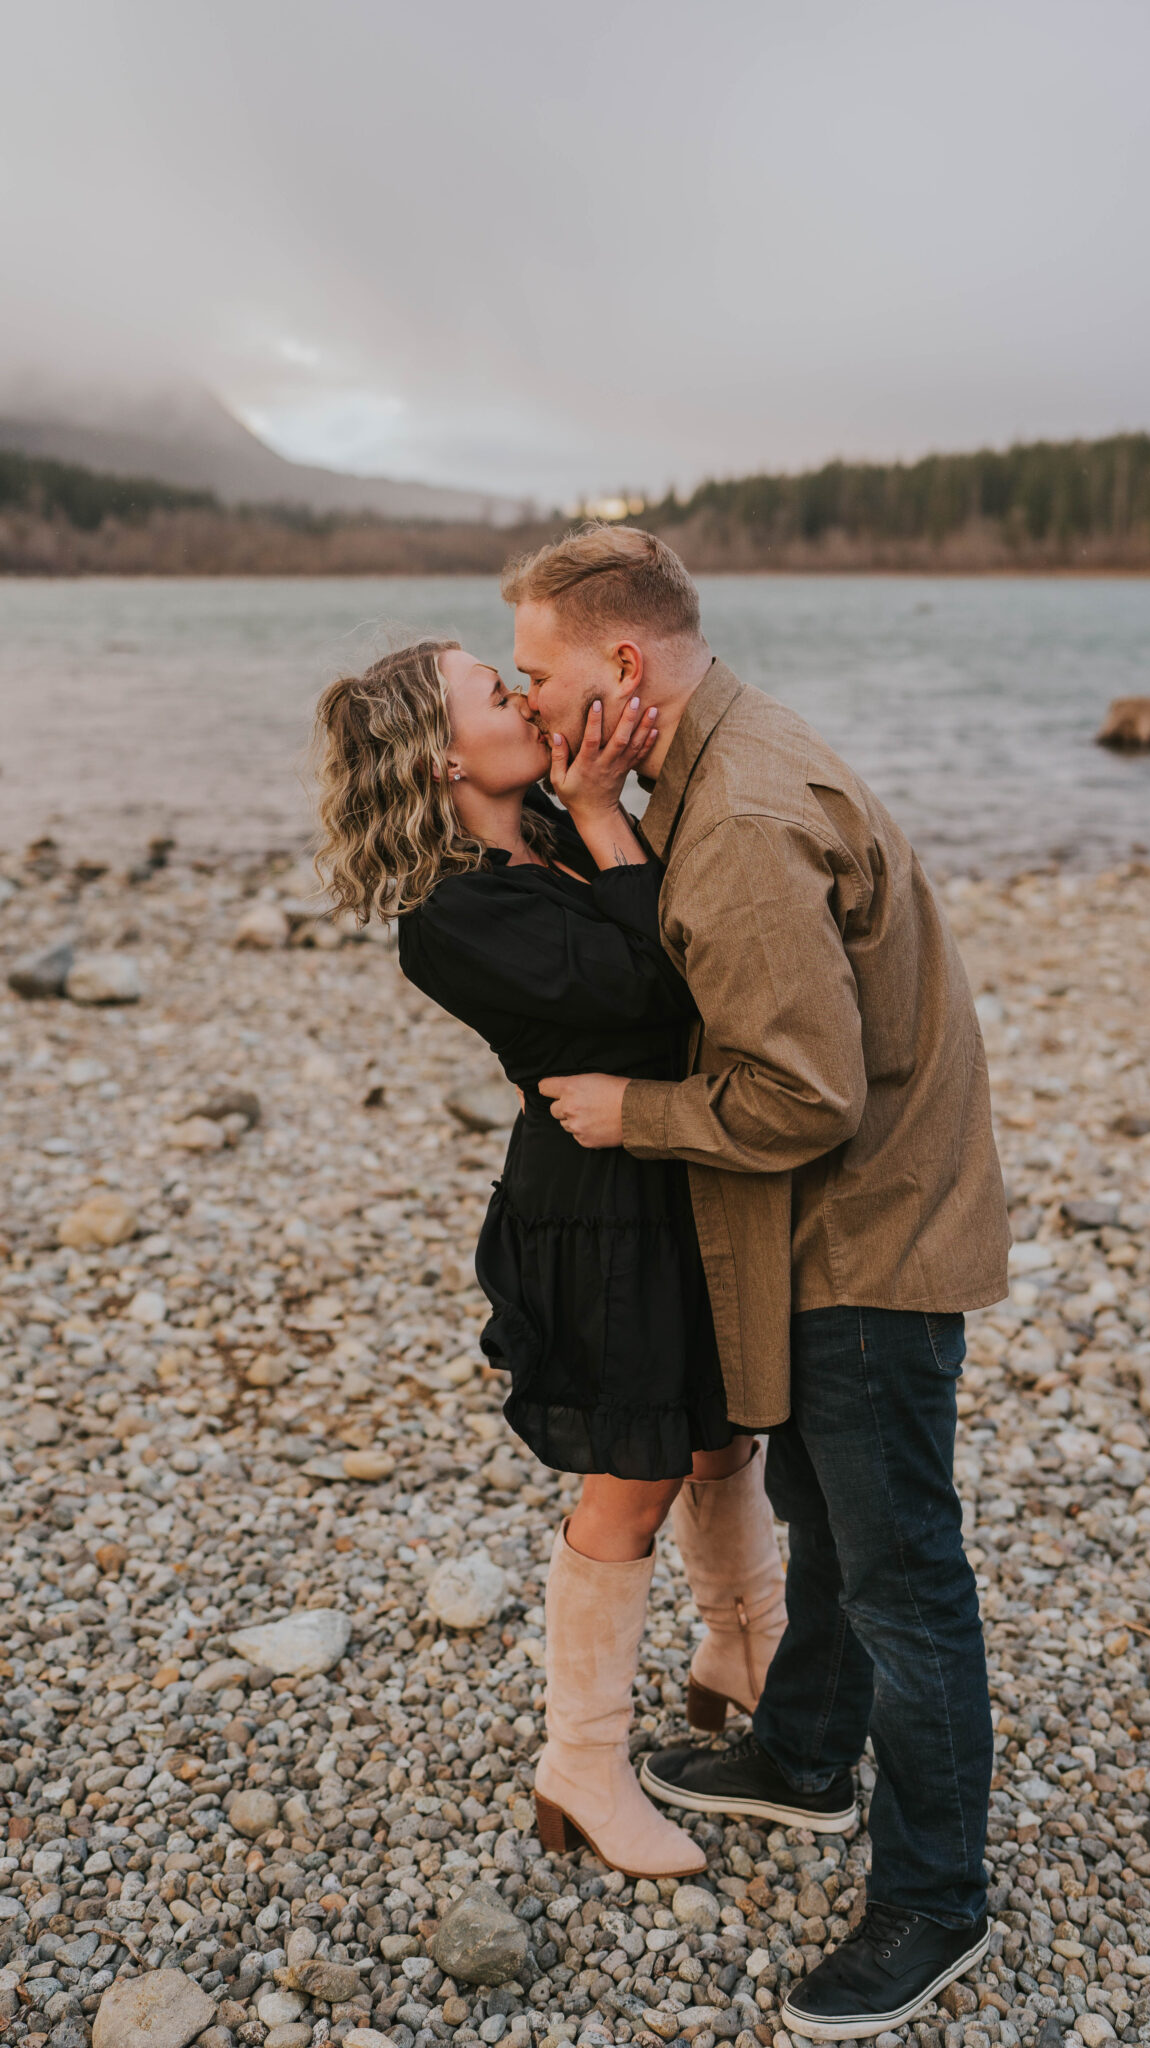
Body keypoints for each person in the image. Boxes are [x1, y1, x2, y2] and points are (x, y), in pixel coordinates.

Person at [502, 527, 1012, 2041]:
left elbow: (803, 1100)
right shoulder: (721, 761)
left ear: (623, 667)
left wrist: (630, 1112)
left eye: (536, 676)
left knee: (906, 1580)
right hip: (857, 1225)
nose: (529, 709)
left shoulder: (736, 820)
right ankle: (799, 1760)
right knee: (827, 1524)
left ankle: (935, 1900)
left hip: (866, 1243)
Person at [311, 640, 787, 1883]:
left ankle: (748, 1650)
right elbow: (661, 986)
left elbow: (698, 929)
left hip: (680, 1164)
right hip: (592, 1212)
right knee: (630, 1476)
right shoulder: (451, 914)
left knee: (721, 1433)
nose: (526, 697)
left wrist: (593, 809)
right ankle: (582, 1759)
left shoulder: (561, 834)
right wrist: (593, 805)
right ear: (441, 754)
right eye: (494, 690)